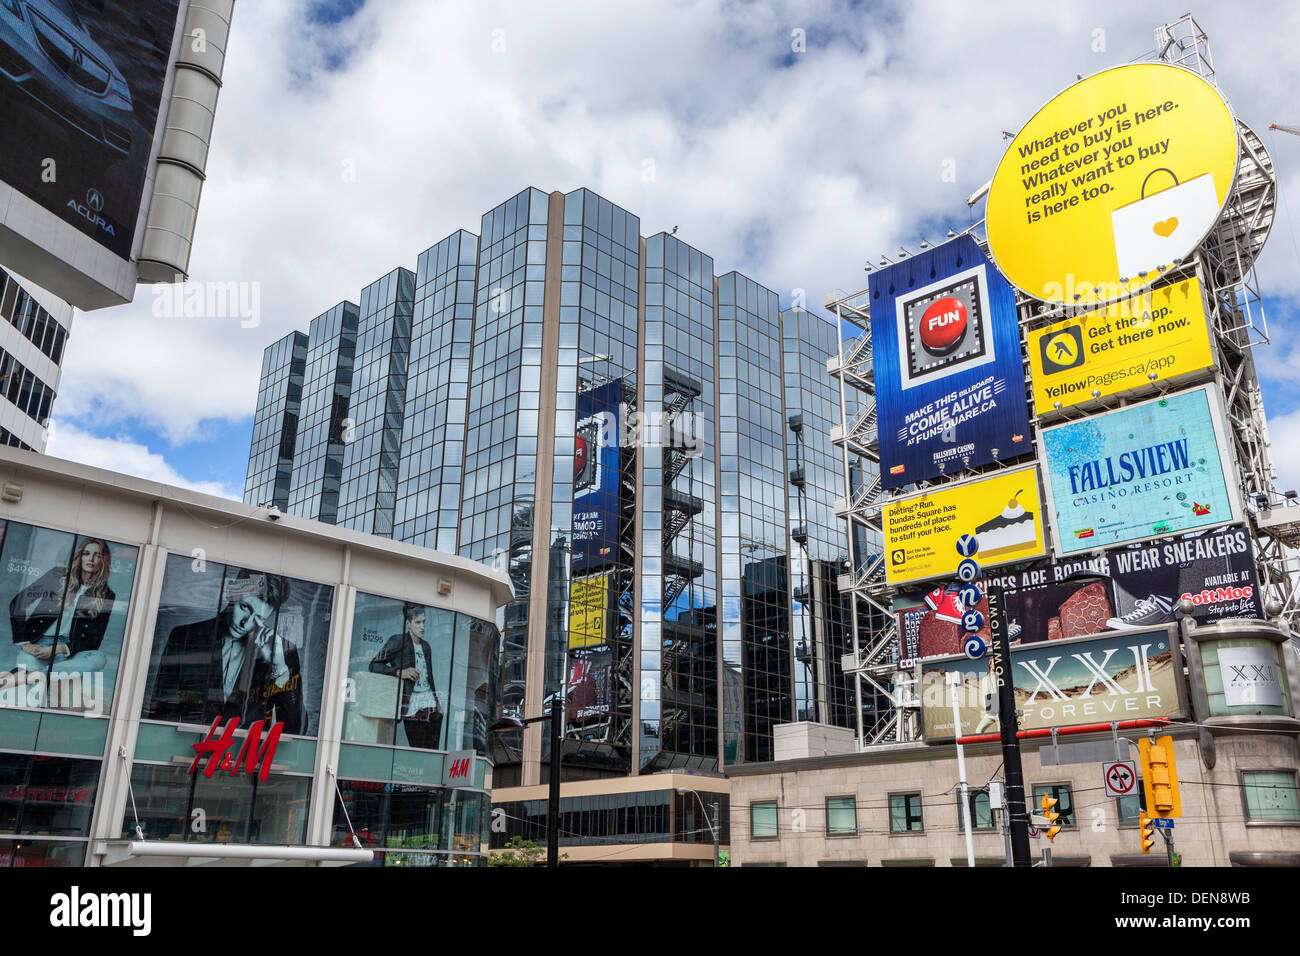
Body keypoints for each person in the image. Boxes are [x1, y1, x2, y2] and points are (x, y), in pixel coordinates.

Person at [148, 570, 304, 733]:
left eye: (259, 618)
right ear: (231, 595)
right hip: (188, 750)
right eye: (244, 607)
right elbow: (161, 712)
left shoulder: (283, 652)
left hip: (244, 756)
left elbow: (294, 729)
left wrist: (278, 668)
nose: (246, 623)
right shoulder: (184, 636)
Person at [4, 538, 116, 701]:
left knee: (99, 658)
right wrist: (25, 643)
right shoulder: (56, 576)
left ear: (103, 561)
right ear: (79, 556)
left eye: (97, 555)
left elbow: (94, 640)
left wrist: (58, 649)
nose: (91, 559)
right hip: (37, 645)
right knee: (44, 684)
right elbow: (18, 603)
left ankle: (32, 676)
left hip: (68, 650)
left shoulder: (107, 595)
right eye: (86, 553)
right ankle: (46, 679)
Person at [369, 603, 443, 749]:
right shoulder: (398, 641)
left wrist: (437, 703)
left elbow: (430, 676)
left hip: (431, 706)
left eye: (424, 622)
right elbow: (374, 665)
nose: (422, 627)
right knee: (418, 750)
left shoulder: (426, 646)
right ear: (408, 624)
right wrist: (399, 672)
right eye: (417, 622)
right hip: (412, 706)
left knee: (433, 753)